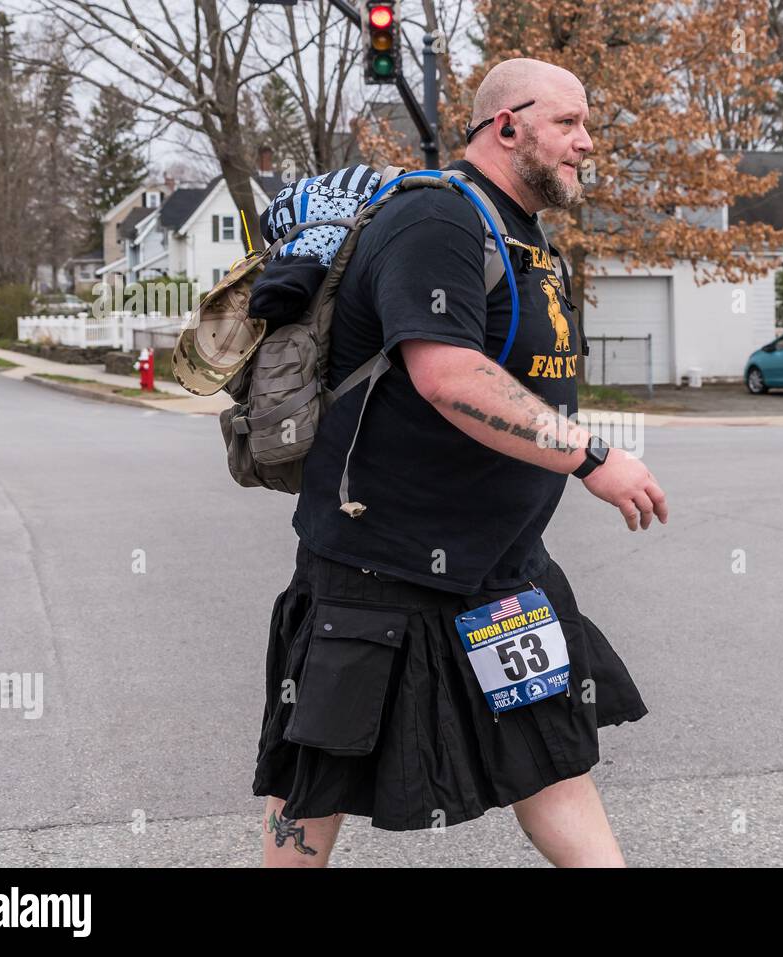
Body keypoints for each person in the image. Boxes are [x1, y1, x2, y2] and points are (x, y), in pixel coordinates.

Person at [252, 57, 668, 866]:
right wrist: (590, 455)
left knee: (552, 757)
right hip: (376, 566)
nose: (588, 142)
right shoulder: (437, 223)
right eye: (569, 123)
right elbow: (448, 375)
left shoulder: (528, 238)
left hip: (500, 570)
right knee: (315, 784)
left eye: (588, 126)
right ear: (505, 125)